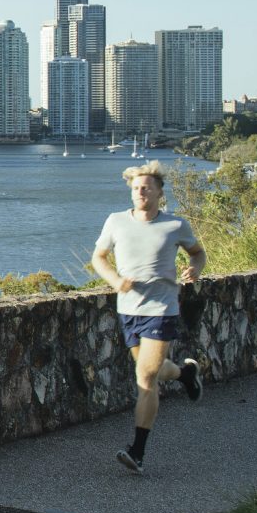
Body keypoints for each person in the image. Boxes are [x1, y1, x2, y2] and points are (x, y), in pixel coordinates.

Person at [92, 160, 207, 474]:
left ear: (159, 192)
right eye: (135, 188)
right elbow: (98, 258)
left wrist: (195, 268)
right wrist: (116, 282)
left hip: (161, 310)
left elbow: (198, 252)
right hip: (128, 310)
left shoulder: (175, 225)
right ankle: (185, 374)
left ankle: (137, 452)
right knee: (152, 371)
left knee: (145, 378)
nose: (140, 192)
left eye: (146, 188)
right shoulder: (116, 221)